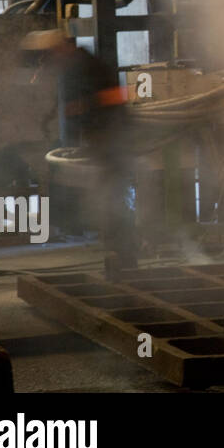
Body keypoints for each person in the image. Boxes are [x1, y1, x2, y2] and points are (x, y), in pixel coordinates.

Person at [22, 28, 135, 270]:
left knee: (112, 197)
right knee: (107, 198)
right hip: (103, 141)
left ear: (58, 50)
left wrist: (91, 122)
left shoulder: (87, 67)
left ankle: (125, 255)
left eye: (49, 57)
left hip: (110, 141)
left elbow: (110, 102)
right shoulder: (76, 67)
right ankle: (120, 254)